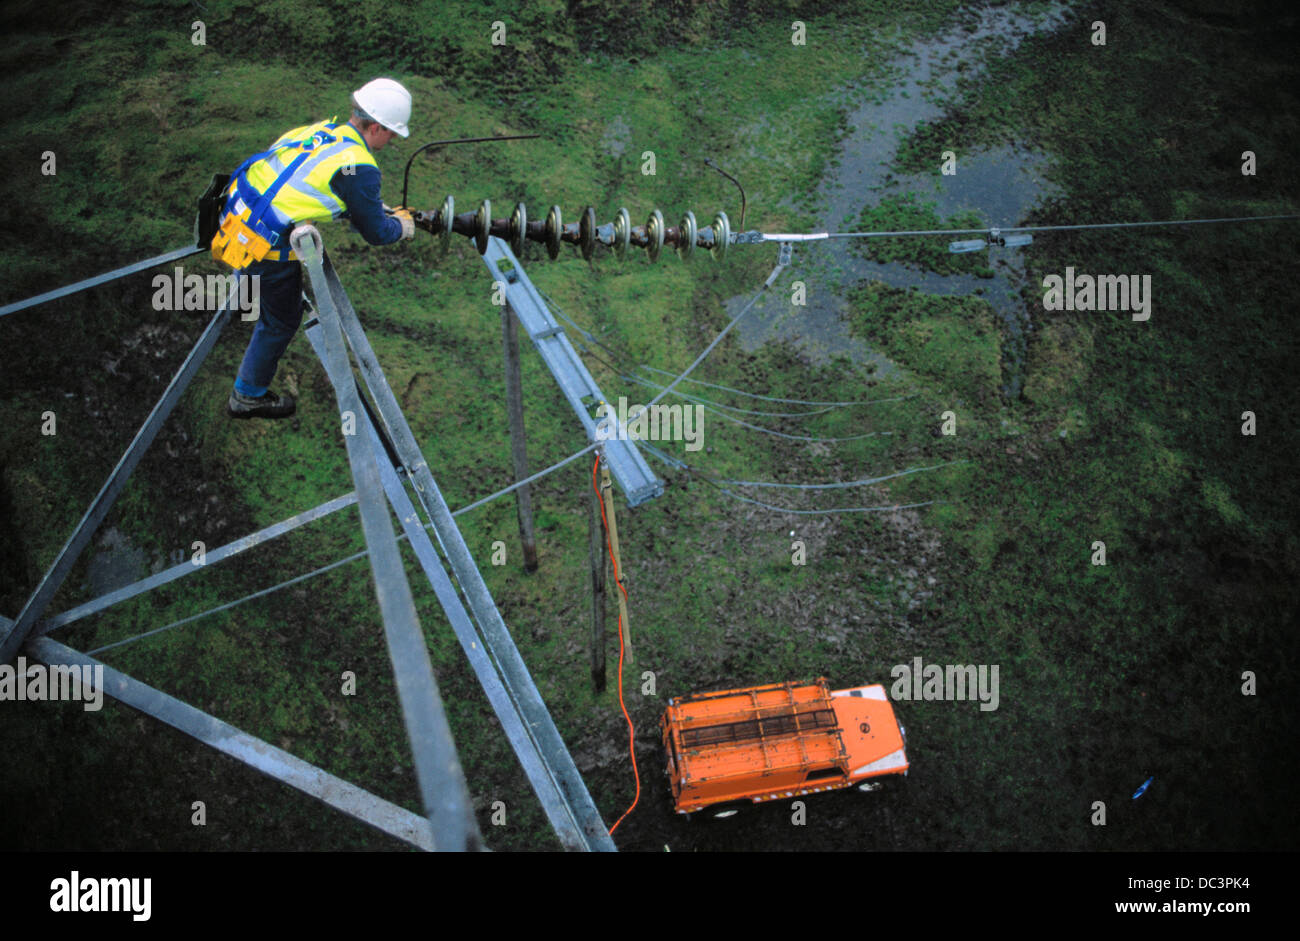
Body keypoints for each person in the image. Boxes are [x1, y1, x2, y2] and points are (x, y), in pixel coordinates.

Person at [221, 78, 417, 419]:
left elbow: (295, 183)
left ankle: (244, 294)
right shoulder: (361, 166)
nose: (393, 141)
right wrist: (402, 226)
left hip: (234, 219)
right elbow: (377, 233)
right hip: (263, 246)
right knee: (283, 319)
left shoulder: (317, 132)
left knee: (260, 278)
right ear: (375, 127)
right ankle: (247, 396)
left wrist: (364, 206)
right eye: (392, 133)